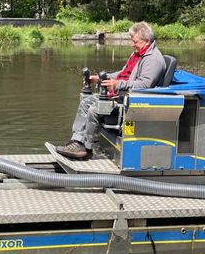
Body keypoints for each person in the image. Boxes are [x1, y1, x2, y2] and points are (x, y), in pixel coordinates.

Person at [56, 22, 165, 160]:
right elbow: (123, 73)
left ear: (147, 41)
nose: (132, 44)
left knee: (94, 110)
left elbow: (144, 84)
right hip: (119, 94)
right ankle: (77, 141)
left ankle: (87, 148)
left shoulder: (153, 59)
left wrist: (117, 85)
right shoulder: (138, 53)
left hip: (128, 100)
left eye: (135, 41)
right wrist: (103, 79)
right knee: (86, 102)